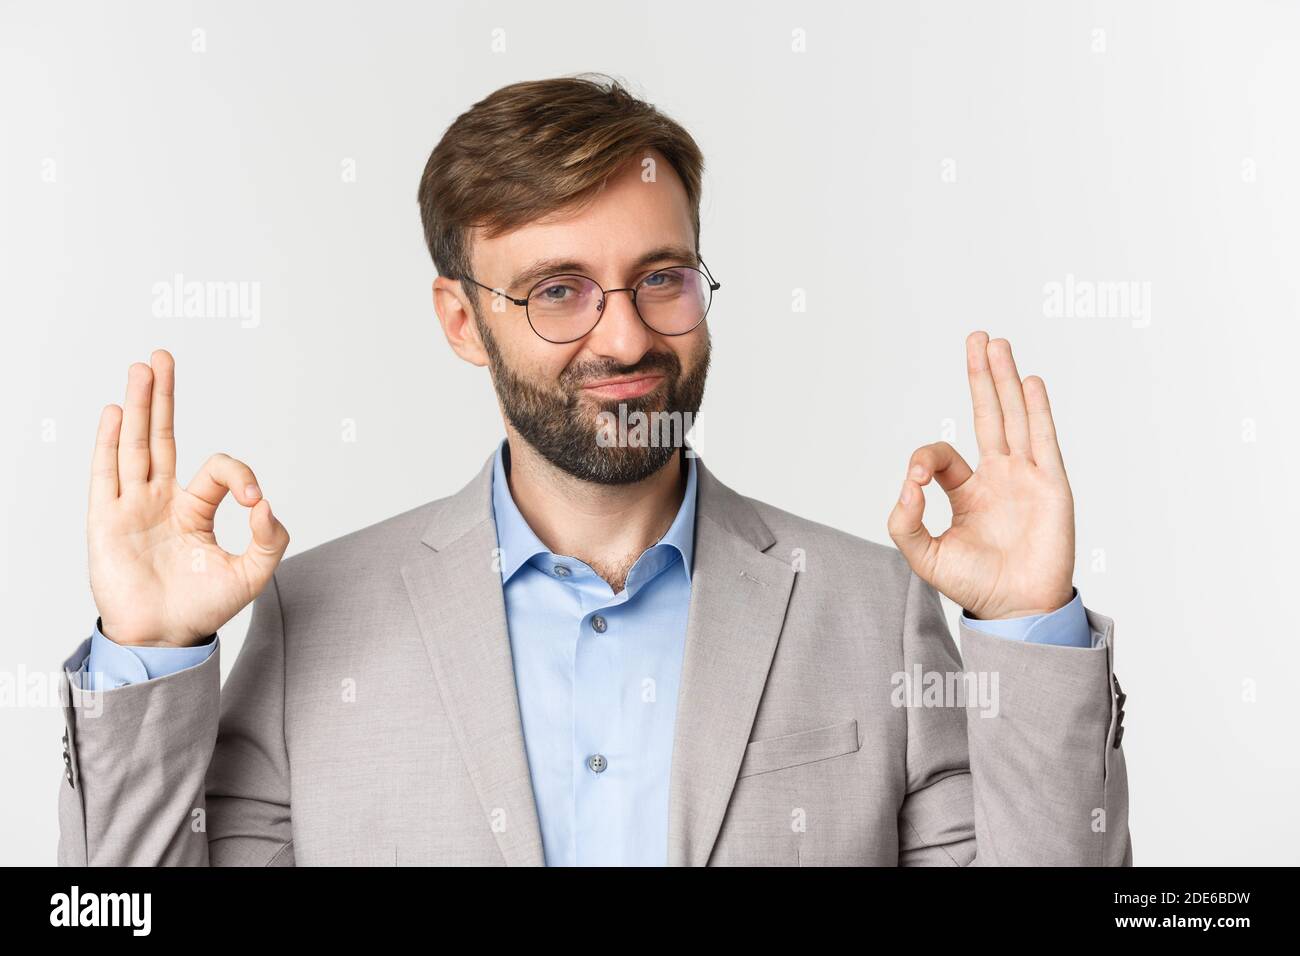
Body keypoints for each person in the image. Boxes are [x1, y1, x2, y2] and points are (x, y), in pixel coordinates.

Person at [57, 74, 1130, 866]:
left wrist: (1029, 628)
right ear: (462, 320)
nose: (623, 338)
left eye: (660, 276)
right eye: (558, 290)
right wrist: (147, 656)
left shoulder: (871, 605)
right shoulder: (315, 617)